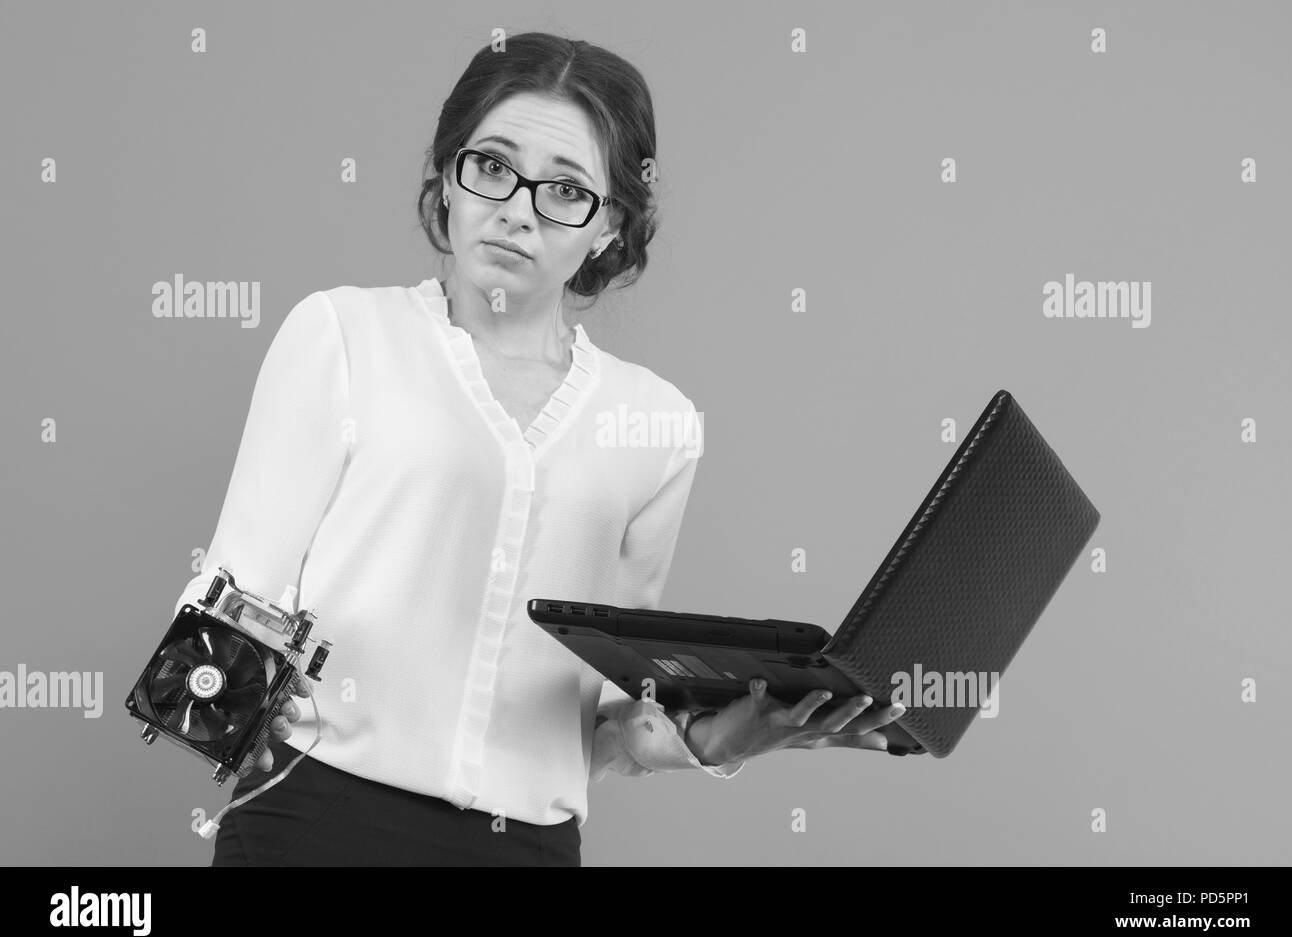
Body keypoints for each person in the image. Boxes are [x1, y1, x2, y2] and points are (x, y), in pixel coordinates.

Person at [173, 31, 902, 867]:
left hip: (526, 848)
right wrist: (226, 703)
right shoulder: (342, 336)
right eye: (491, 165)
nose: (517, 208)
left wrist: (718, 737)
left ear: (610, 228)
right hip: (311, 819)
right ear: (447, 176)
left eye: (565, 190)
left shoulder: (655, 426)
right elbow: (227, 606)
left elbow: (595, 722)